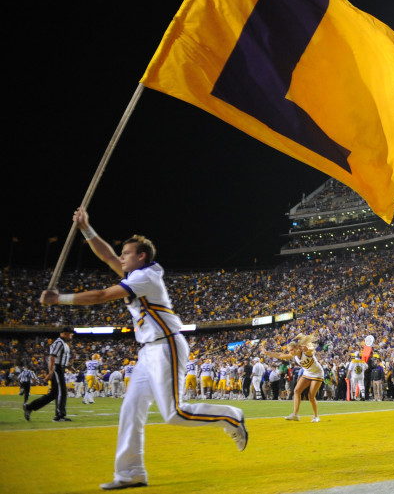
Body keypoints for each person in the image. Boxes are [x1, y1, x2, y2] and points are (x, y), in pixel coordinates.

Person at [39, 208, 246, 490]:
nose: (121, 256)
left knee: (174, 414)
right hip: (148, 350)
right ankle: (130, 473)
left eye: (126, 253)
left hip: (166, 345)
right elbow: (107, 256)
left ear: (141, 257)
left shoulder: (144, 277)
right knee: (130, 408)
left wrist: (59, 299)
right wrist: (86, 228)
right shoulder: (137, 273)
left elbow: (102, 295)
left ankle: (231, 416)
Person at [263, 334, 324, 422]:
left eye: (291, 350)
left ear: (297, 348)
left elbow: (311, 349)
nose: (290, 352)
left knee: (311, 396)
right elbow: (280, 356)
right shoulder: (294, 356)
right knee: (296, 391)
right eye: (289, 351)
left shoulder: (306, 352)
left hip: (317, 373)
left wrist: (307, 348)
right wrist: (267, 353)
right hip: (307, 373)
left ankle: (315, 416)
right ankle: (295, 414)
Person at [23, 326, 73, 422]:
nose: (71, 336)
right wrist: (51, 371)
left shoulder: (63, 343)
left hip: (60, 368)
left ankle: (29, 407)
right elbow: (52, 357)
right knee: (62, 391)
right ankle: (59, 416)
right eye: (70, 334)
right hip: (57, 368)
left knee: (54, 394)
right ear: (65, 333)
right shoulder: (59, 343)